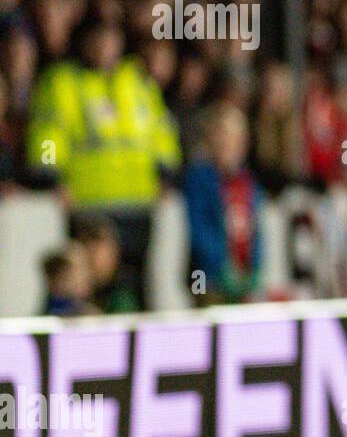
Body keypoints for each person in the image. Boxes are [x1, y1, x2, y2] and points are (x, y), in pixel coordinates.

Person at [26, 18, 181, 309]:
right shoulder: (63, 81)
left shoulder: (136, 80)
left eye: (110, 40)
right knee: (89, 282)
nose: (104, 47)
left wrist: (165, 172)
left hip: (139, 201)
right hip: (90, 203)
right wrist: (53, 177)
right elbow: (47, 134)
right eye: (97, 40)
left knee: (136, 283)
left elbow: (161, 130)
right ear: (84, 43)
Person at [181, 104, 263, 305]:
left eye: (234, 138)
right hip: (205, 278)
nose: (228, 144)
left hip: (244, 279)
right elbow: (199, 233)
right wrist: (222, 268)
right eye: (223, 137)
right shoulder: (198, 180)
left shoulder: (249, 184)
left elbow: (257, 231)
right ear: (211, 140)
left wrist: (255, 270)